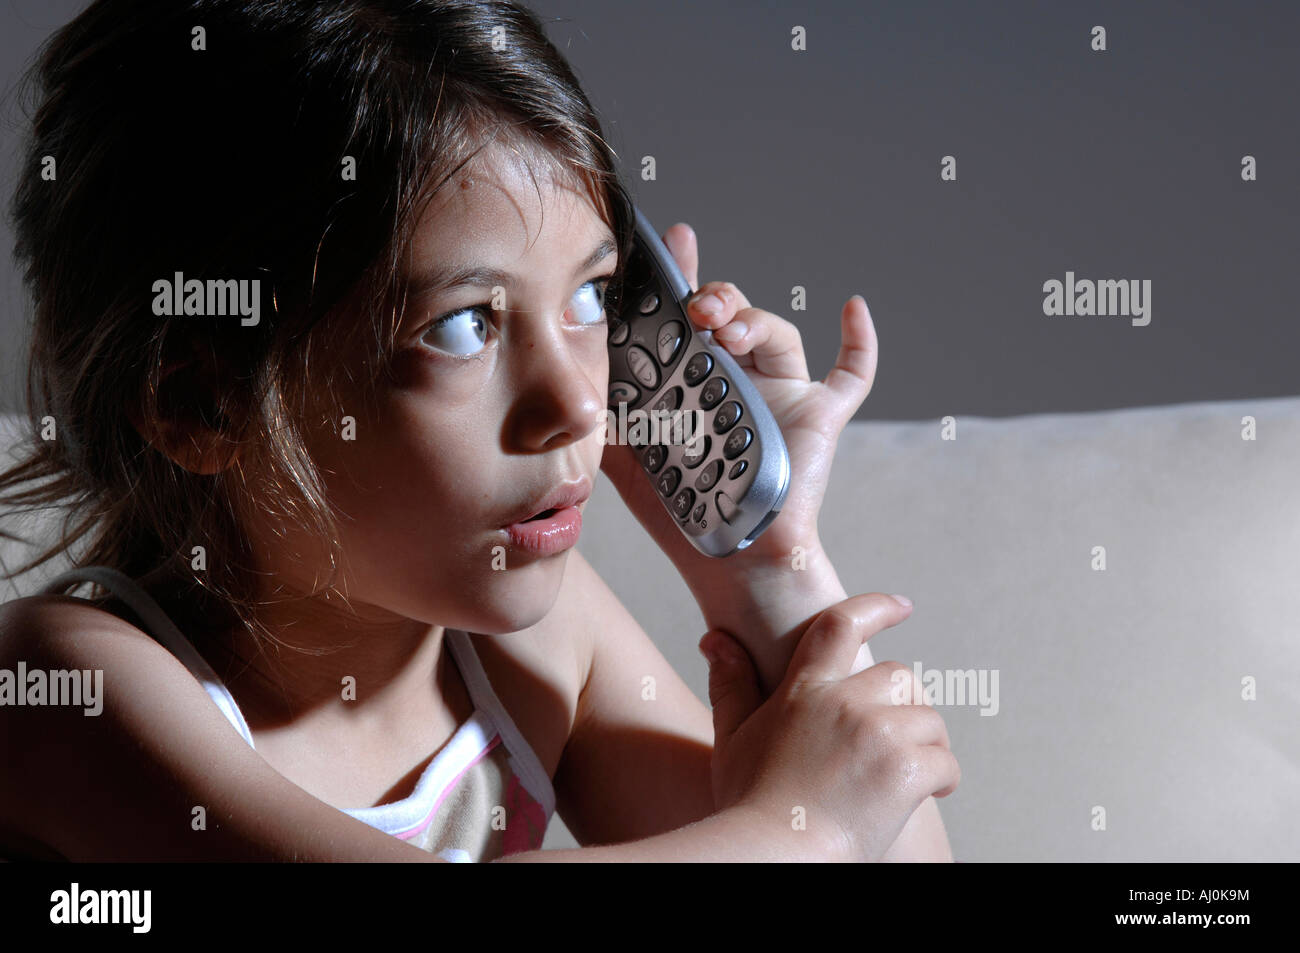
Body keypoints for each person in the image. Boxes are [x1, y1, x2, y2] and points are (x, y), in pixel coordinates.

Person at [0, 0, 958, 862]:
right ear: (201, 411)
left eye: (591, 295)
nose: (581, 402)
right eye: (464, 324)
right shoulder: (62, 681)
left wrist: (758, 553)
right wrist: (805, 832)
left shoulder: (533, 649)